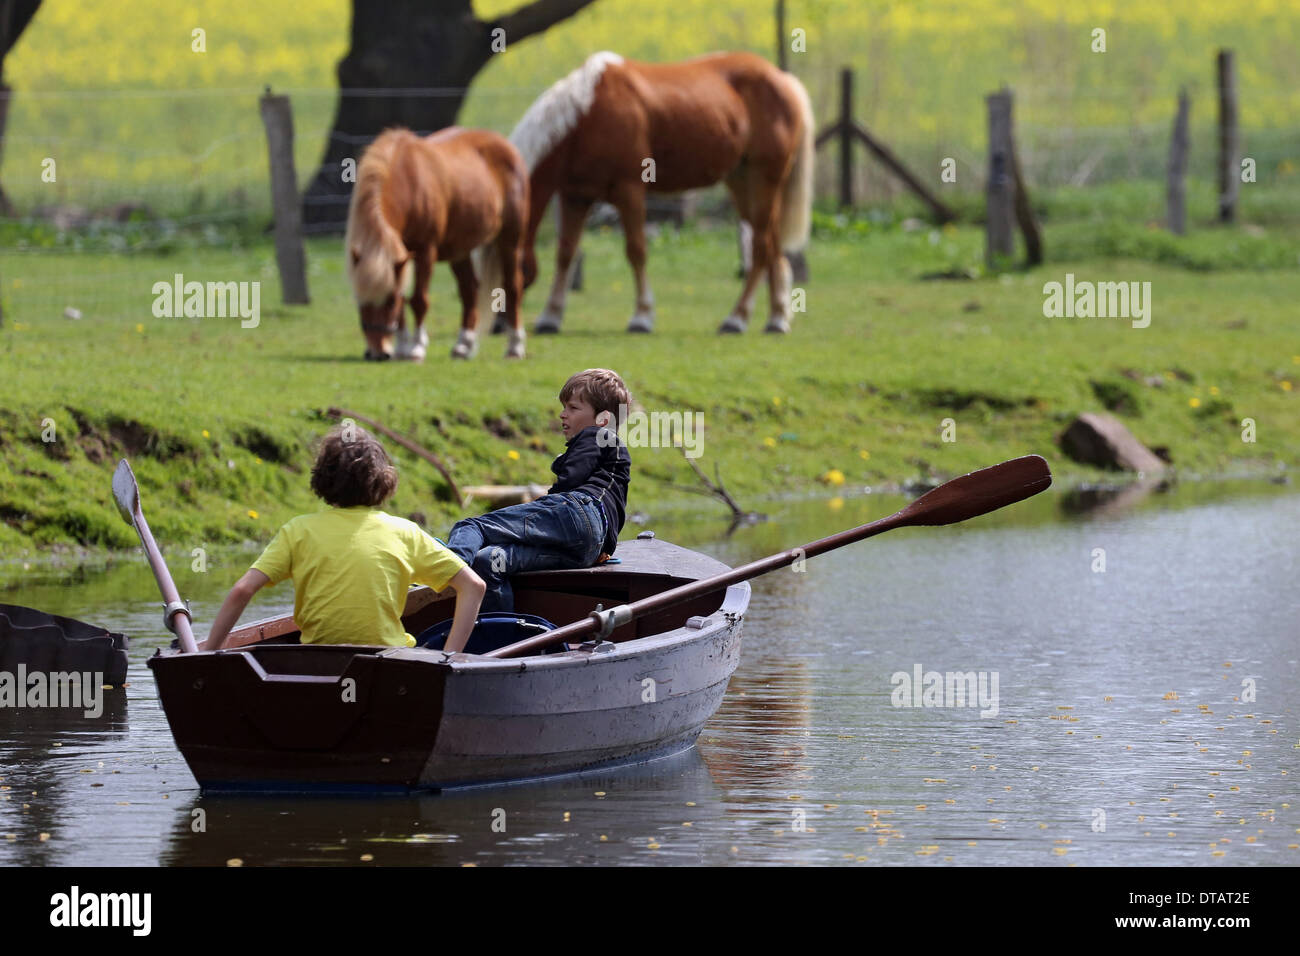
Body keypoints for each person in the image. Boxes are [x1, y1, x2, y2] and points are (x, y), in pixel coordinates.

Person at [203, 424, 485, 653]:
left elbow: (242, 591)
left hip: (317, 662)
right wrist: (450, 658)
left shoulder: (298, 530)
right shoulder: (405, 532)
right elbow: (474, 586)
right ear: (384, 481)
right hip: (389, 665)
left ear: (321, 480)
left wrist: (207, 655)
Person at [447, 368, 632, 612]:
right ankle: (502, 641)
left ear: (604, 419)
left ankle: (444, 571)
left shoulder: (597, 435)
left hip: (579, 510)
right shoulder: (614, 459)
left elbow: (569, 480)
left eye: (573, 408)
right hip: (591, 549)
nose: (563, 415)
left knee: (471, 526)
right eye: (564, 407)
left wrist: (549, 495)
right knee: (490, 560)